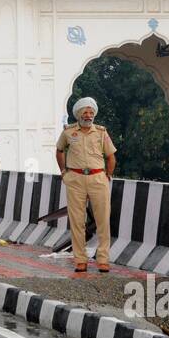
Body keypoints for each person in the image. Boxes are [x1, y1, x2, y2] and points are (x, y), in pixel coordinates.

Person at [55, 97, 117, 273]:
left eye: (91, 112)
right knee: (77, 221)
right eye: (85, 112)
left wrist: (108, 175)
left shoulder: (101, 132)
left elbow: (111, 155)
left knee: (103, 220)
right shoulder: (68, 132)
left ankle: (103, 259)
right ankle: (80, 260)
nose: (88, 115)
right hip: (75, 178)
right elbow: (59, 151)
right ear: (78, 114)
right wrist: (63, 172)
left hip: (98, 178)